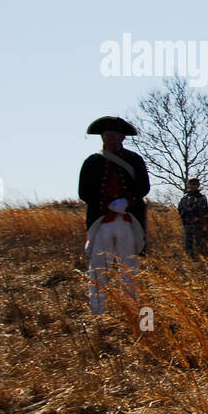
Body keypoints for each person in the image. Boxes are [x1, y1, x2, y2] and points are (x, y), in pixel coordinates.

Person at [78, 116, 150, 315]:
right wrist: (106, 204)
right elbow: (84, 192)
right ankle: (97, 312)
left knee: (129, 268)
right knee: (98, 269)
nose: (111, 139)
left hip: (128, 221)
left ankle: (131, 310)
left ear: (122, 138)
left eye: (115, 135)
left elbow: (143, 187)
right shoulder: (92, 162)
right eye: (107, 135)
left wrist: (128, 201)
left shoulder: (134, 160)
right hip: (101, 222)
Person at [177, 178, 208, 259]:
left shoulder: (201, 197)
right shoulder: (185, 197)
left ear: (198, 185)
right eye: (191, 184)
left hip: (198, 224)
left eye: (195, 184)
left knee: (198, 242)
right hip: (187, 223)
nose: (193, 186)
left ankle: (201, 259)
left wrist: (197, 218)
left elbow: (204, 210)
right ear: (188, 185)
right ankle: (190, 260)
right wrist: (184, 217)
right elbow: (180, 208)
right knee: (188, 243)